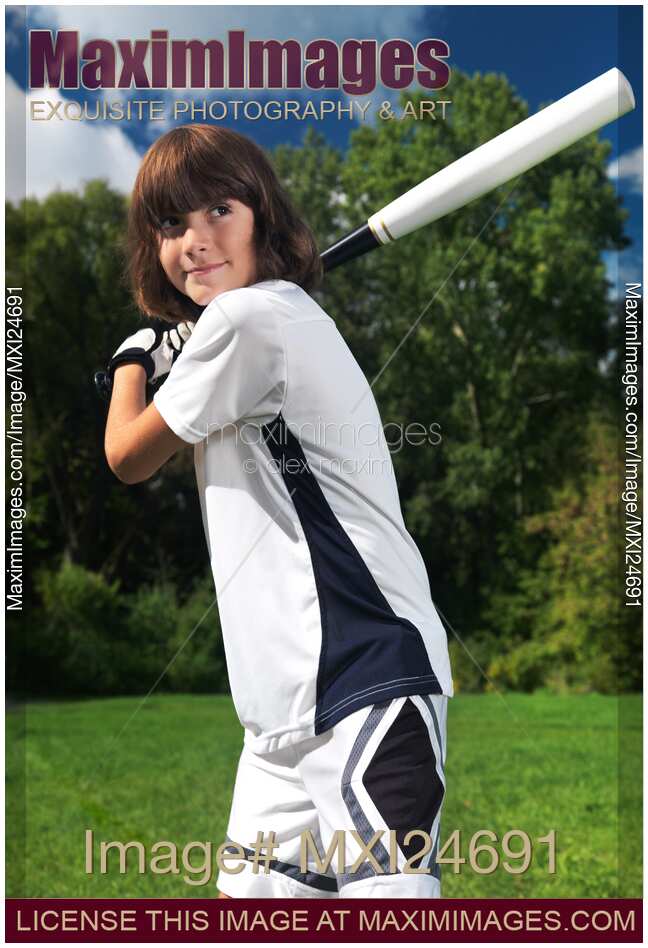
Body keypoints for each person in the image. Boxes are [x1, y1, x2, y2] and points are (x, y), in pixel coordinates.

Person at [103, 124, 453, 899]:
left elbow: (128, 455)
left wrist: (135, 358)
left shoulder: (249, 320)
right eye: (171, 225)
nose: (195, 241)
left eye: (218, 211)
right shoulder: (251, 322)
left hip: (362, 678)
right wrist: (181, 348)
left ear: (263, 216)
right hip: (280, 715)